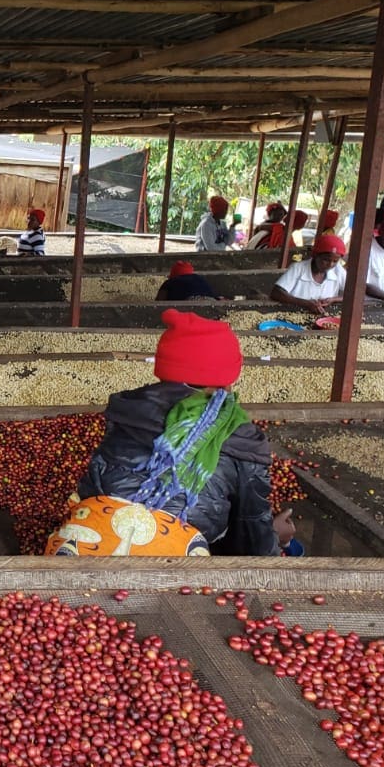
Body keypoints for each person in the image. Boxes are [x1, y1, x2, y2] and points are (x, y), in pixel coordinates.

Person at [46, 309, 291, 558]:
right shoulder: (240, 435)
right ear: (226, 380)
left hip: (92, 550)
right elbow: (251, 540)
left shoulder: (127, 412)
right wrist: (275, 535)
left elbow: (90, 497)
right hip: (177, 564)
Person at [269, 232, 346, 316]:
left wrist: (334, 299)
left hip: (324, 318)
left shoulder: (338, 270)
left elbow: (355, 295)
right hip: (294, 315)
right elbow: (276, 293)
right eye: (326, 260)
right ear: (315, 255)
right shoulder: (298, 268)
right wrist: (306, 303)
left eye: (335, 261)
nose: (330, 264)